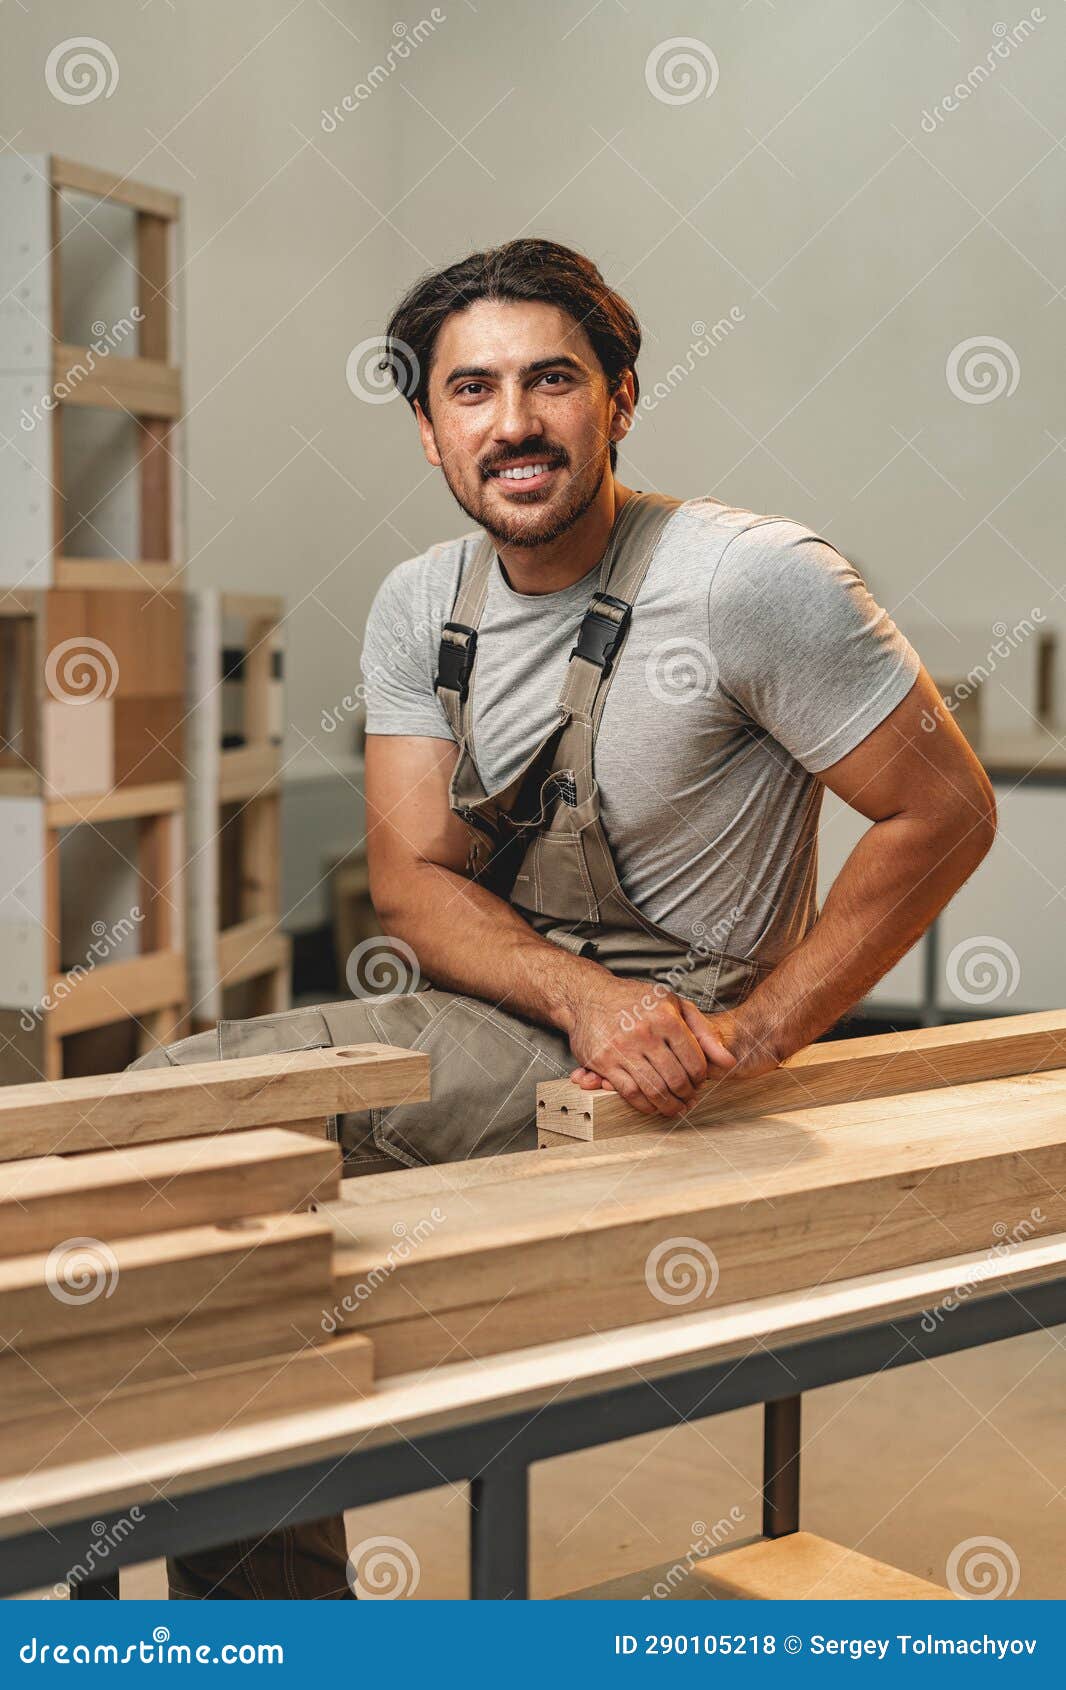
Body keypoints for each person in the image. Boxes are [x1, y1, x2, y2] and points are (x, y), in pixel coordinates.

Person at [132, 238, 996, 1598]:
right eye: (470, 391)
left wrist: (760, 1031)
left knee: (188, 1114)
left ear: (621, 397)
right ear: (426, 429)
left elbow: (944, 812)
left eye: (552, 380)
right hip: (530, 1005)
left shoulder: (749, 580)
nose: (514, 422)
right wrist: (579, 995)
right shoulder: (426, 604)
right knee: (177, 1134)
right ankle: (270, 1603)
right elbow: (415, 878)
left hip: (671, 1037)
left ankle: (275, 1633)